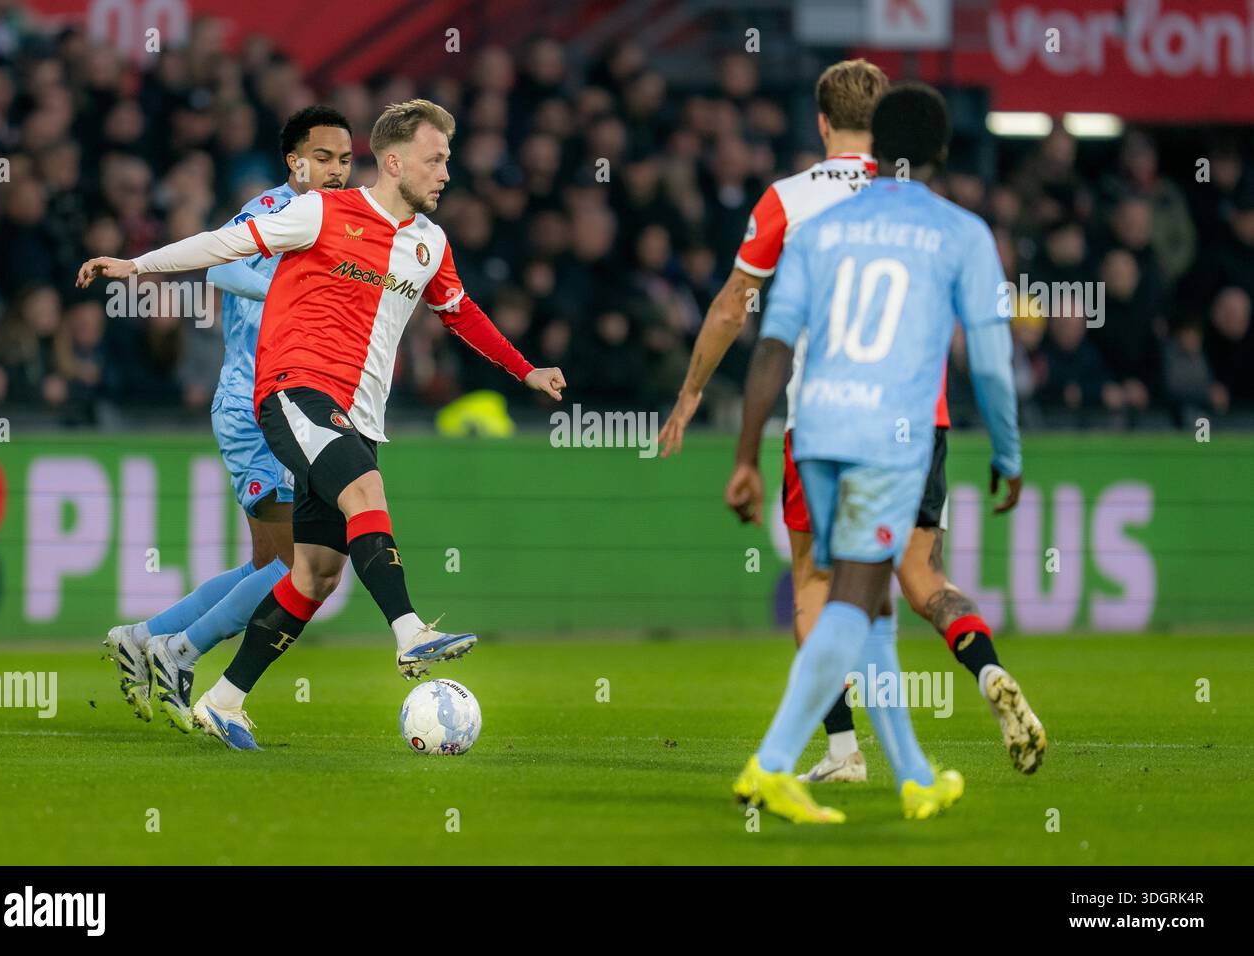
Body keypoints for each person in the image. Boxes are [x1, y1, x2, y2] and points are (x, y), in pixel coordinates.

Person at [79, 100, 567, 749]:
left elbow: (461, 312)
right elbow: (226, 247)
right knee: (362, 492)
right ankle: (410, 632)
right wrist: (136, 265)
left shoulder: (429, 243)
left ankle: (225, 699)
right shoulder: (321, 212)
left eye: (448, 158)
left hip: (357, 419)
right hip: (294, 395)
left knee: (313, 573)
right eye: (436, 158)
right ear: (393, 161)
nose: (447, 171)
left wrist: (525, 370)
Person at [659, 60, 1044, 782]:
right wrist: (1008, 451)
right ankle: (955, 708)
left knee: (825, 590)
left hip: (823, 421)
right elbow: (990, 359)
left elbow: (752, 323)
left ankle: (837, 756)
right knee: (913, 582)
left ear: (821, 122)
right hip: (912, 425)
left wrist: (715, 420)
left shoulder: (802, 210)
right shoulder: (954, 226)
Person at [102, 106, 355, 732]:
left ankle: (147, 637)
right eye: (322, 158)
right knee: (293, 566)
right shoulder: (269, 211)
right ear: (294, 161)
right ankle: (176, 653)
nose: (337, 170)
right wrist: (281, 293)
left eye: (346, 160)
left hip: (293, 404)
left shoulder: (336, 222)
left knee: (269, 563)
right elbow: (218, 265)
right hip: (255, 404)